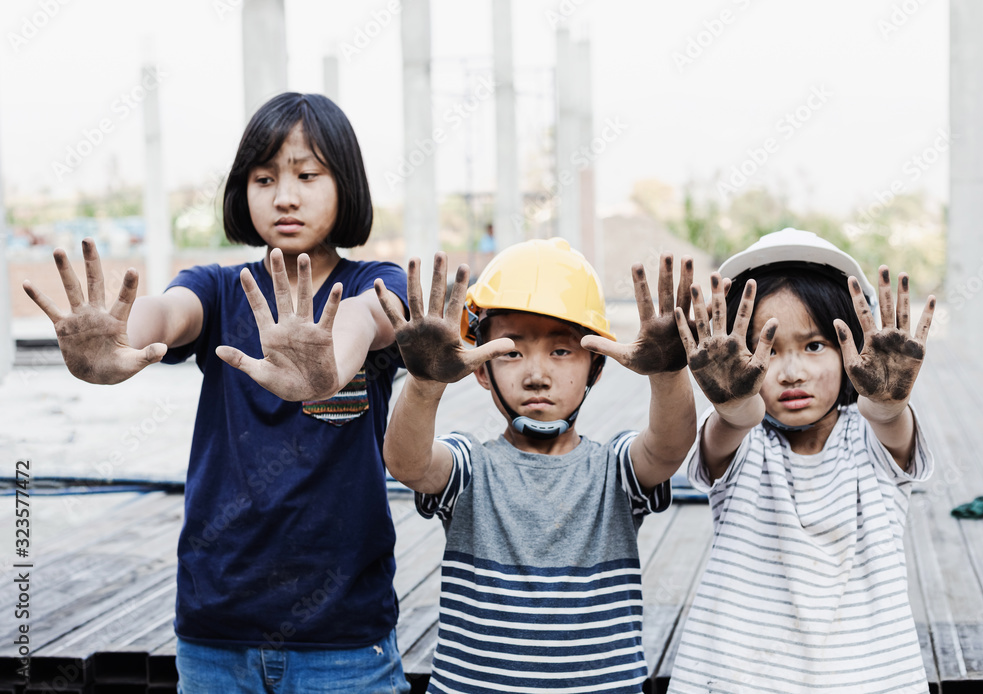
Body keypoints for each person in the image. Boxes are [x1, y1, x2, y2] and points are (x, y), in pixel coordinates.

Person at [22, 93, 411, 693]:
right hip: (216, 635)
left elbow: (371, 317)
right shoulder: (218, 288)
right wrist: (118, 337)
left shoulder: (375, 284)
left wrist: (331, 362)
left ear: (347, 184)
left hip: (345, 638)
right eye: (264, 178)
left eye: (308, 175)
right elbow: (168, 312)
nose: (285, 197)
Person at [372, 237, 699, 693]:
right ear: (481, 369)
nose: (537, 375)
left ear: (596, 367)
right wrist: (424, 385)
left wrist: (668, 373)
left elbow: (668, 448)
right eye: (511, 351)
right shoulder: (469, 466)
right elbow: (408, 463)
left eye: (561, 351)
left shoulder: (615, 469)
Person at [666, 228, 936, 693]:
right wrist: (733, 408)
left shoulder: (873, 436)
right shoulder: (743, 439)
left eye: (814, 346)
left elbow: (891, 423)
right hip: (737, 679)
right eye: (768, 349)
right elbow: (728, 429)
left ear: (855, 349)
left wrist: (889, 405)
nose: (791, 373)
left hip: (869, 680)